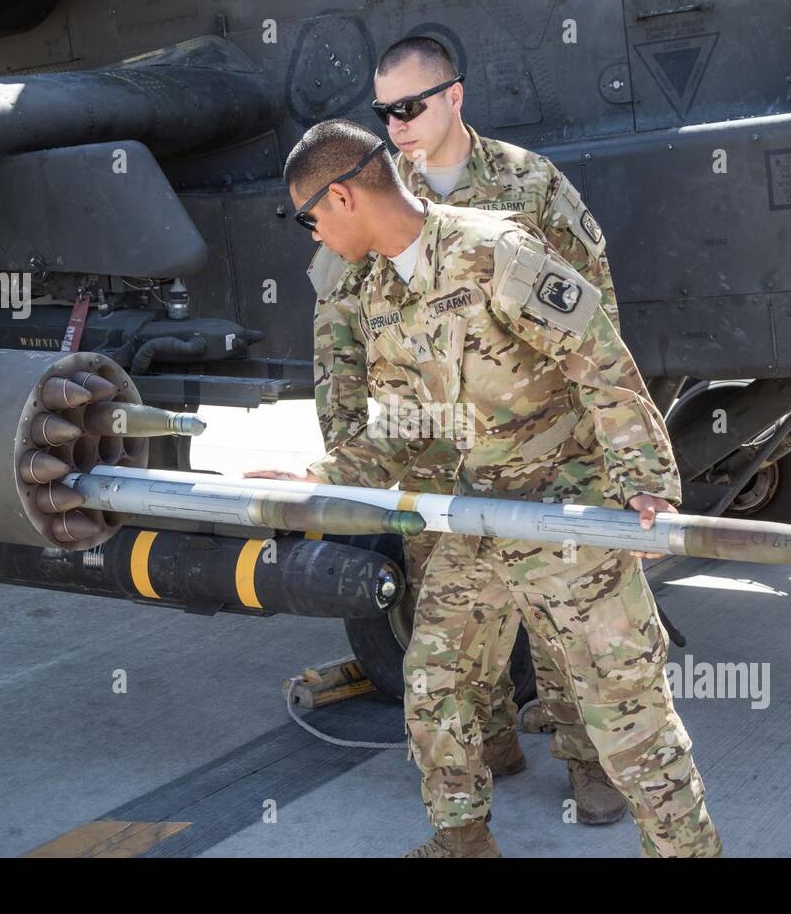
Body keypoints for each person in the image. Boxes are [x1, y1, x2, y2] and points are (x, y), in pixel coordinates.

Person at [255, 119, 721, 858]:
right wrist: (319, 480)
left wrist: (646, 485)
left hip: (566, 514)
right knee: (436, 686)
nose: (310, 235)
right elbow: (408, 428)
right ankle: (461, 842)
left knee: (629, 717)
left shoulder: (494, 250)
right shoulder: (378, 291)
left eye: (308, 217)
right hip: (478, 519)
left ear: (342, 197)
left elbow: (598, 357)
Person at [308, 36, 627, 823]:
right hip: (429, 448)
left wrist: (602, 447)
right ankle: (489, 746)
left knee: (564, 617)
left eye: (410, 106)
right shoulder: (377, 191)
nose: (398, 125)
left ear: (455, 96)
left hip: (540, 445)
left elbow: (595, 315)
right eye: (384, 112)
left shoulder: (530, 186)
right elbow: (336, 322)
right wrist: (344, 448)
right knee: (450, 615)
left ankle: (588, 763)